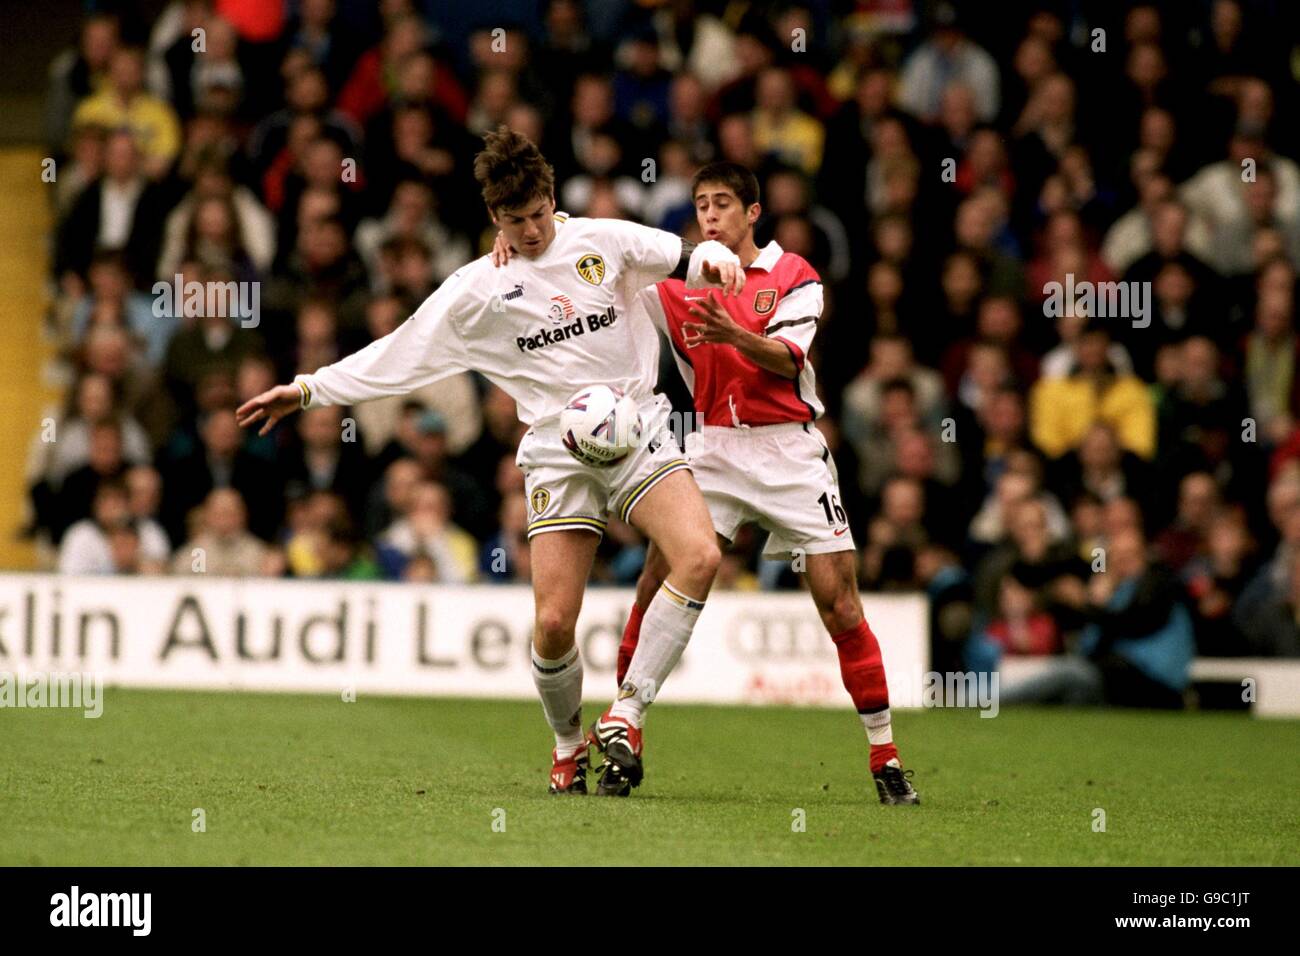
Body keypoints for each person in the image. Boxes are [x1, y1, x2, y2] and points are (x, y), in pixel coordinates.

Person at [237, 126, 744, 797]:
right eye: (515, 221)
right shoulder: (477, 290)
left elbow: (687, 257)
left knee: (702, 556)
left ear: (552, 199)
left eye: (538, 215)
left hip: (637, 428)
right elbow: (398, 350)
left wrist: (717, 262)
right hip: (556, 453)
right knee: (555, 623)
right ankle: (568, 745)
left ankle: (627, 714)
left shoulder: (605, 241)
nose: (531, 232)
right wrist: (307, 390)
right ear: (493, 220)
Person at [498, 162, 919, 804]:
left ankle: (885, 756)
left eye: (723, 203)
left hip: (789, 450)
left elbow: (788, 359)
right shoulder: (678, 283)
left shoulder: (792, 276)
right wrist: (518, 241)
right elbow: (589, 269)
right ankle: (625, 729)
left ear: (754, 213)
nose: (711, 215)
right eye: (701, 204)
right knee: (658, 575)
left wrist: (735, 335)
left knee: (839, 602)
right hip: (714, 445)